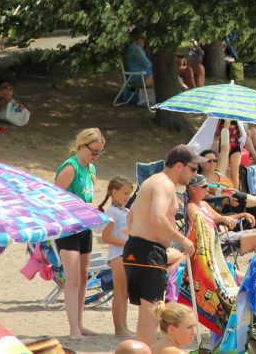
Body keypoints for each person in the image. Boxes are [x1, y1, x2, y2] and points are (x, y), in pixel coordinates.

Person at [124, 145, 200, 348]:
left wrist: (137, 236)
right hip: (148, 252)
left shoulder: (153, 182)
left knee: (147, 315)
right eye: (192, 169)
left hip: (139, 249)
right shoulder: (164, 184)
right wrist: (182, 240)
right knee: (152, 316)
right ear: (178, 166)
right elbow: (157, 217)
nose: (195, 174)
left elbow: (131, 215)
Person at [54, 128, 105, 340]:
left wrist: (94, 208)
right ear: (82, 146)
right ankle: (73, 329)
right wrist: (83, 207)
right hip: (68, 229)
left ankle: (80, 324)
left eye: (100, 152)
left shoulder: (90, 169)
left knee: (84, 277)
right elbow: (55, 199)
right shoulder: (70, 167)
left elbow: (84, 199)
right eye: (94, 151)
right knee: (73, 279)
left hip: (84, 227)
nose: (96, 156)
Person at [185, 174, 256, 268]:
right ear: (194, 189)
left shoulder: (203, 203)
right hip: (215, 243)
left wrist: (242, 215)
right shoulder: (191, 207)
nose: (207, 190)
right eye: (204, 187)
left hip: (226, 236)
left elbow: (219, 217)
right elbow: (200, 223)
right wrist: (223, 219)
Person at [197, 149, 256, 232]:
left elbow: (224, 150)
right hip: (222, 206)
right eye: (209, 161)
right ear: (201, 163)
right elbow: (204, 197)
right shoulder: (200, 179)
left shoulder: (219, 172)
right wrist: (222, 200)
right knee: (237, 196)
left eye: (214, 160)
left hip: (235, 201)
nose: (212, 163)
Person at [99, 176, 136, 339]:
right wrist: (126, 243)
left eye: (129, 193)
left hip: (126, 254)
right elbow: (105, 236)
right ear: (114, 192)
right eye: (125, 193)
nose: (128, 197)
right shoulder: (112, 212)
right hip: (118, 255)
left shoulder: (125, 211)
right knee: (120, 292)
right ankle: (119, 328)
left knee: (125, 292)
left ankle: (124, 325)